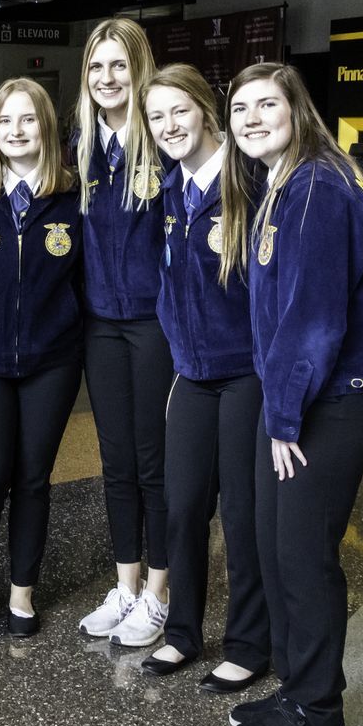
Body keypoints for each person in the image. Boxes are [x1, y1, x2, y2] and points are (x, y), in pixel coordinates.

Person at [224, 62, 363, 726]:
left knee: (301, 553)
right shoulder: (283, 183)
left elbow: (314, 318)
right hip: (300, 394)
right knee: (274, 542)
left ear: (299, 110)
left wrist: (285, 417)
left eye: (268, 104)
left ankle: (318, 708)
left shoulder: (318, 186)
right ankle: (297, 682)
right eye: (239, 108)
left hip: (335, 399)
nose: (252, 118)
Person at [137, 65, 270, 693]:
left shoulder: (250, 183)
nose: (169, 127)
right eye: (157, 117)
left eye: (179, 112)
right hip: (191, 375)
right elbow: (169, 285)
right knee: (183, 506)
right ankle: (183, 632)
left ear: (205, 111)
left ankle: (248, 643)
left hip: (246, 375)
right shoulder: (170, 191)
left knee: (241, 515)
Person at [0, 78, 82, 640]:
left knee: (33, 479)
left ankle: (22, 594)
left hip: (51, 360)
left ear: (46, 128)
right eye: (6, 121)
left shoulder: (73, 197)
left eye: (28, 120)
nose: (16, 131)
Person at [71, 18, 175, 647]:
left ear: (140, 70)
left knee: (153, 460)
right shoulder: (79, 147)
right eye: (96, 68)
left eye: (119, 66)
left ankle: (161, 594)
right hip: (100, 325)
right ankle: (128, 586)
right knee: (114, 460)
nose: (107, 79)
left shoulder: (162, 143)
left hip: (155, 324)